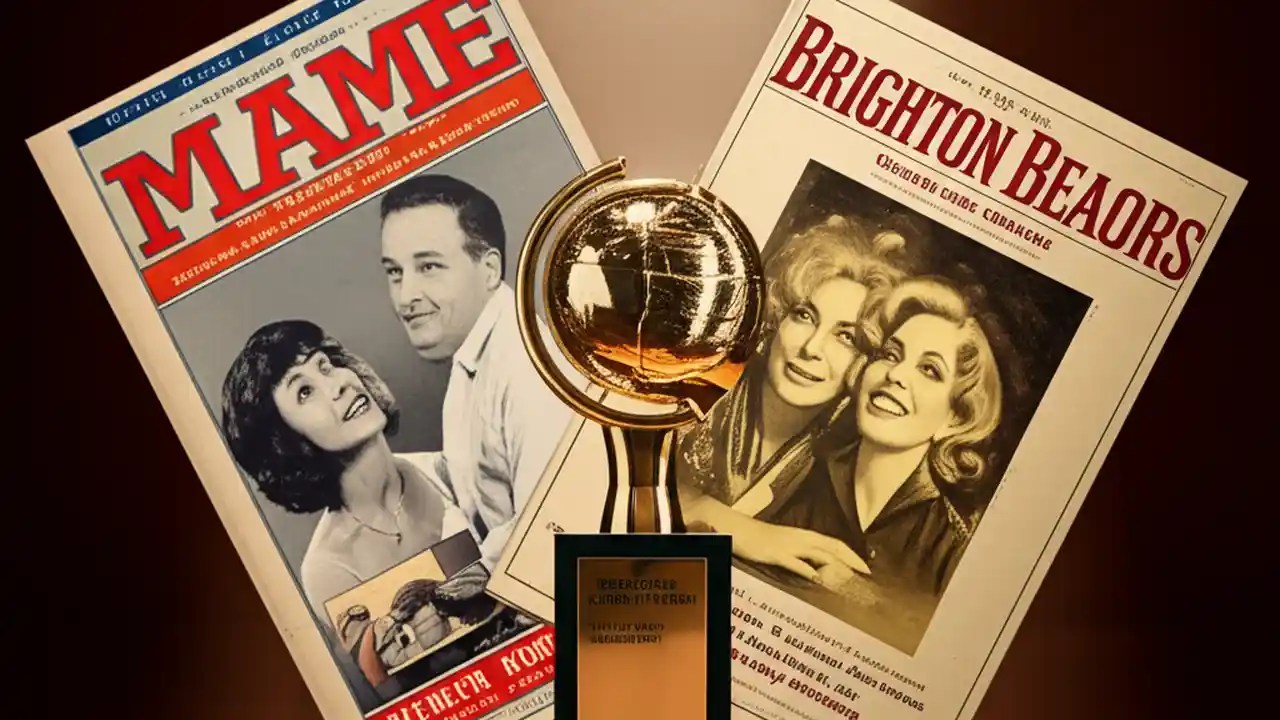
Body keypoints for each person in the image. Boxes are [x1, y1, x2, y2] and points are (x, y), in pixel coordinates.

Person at [677, 215, 907, 582]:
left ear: (867, 364)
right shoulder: (699, 383)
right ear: (778, 318)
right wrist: (717, 517)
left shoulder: (844, 464)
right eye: (804, 316)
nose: (811, 348)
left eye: (846, 337)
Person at [378, 175, 578, 571]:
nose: (405, 297)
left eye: (429, 266)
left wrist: (443, 589)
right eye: (395, 272)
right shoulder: (473, 350)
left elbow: (553, 528)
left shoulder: (526, 368)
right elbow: (473, 473)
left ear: (489, 269)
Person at [761, 276, 1003, 599]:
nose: (896, 374)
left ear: (954, 418)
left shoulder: (949, 546)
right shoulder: (800, 469)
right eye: (890, 355)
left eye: (929, 370)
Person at [220, 319, 473, 623]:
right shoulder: (328, 569)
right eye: (304, 392)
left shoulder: (453, 470)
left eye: (324, 365)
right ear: (285, 441)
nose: (338, 384)